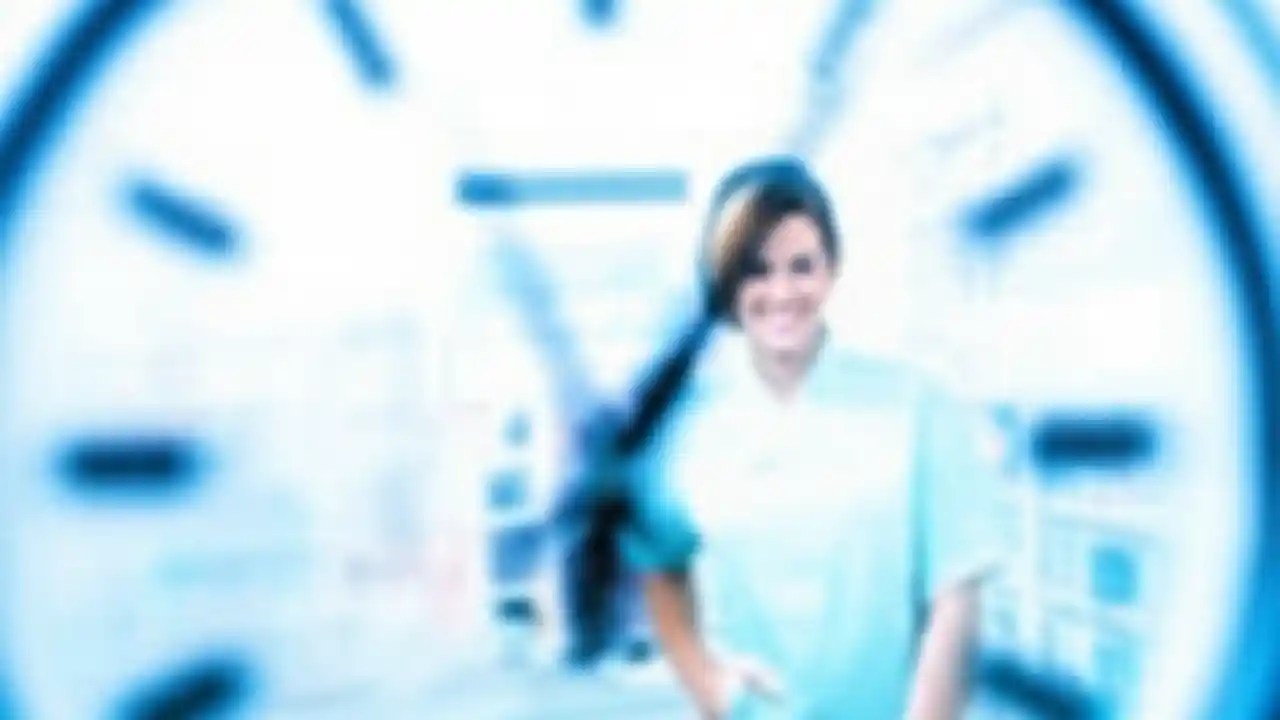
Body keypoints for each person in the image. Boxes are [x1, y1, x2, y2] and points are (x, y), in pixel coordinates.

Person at [616, 157, 1001, 718]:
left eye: (802, 266)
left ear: (832, 269)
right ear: (724, 280)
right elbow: (657, 564)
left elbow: (957, 596)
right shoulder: (687, 430)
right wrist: (708, 683)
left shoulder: (917, 406)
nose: (781, 292)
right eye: (756, 269)